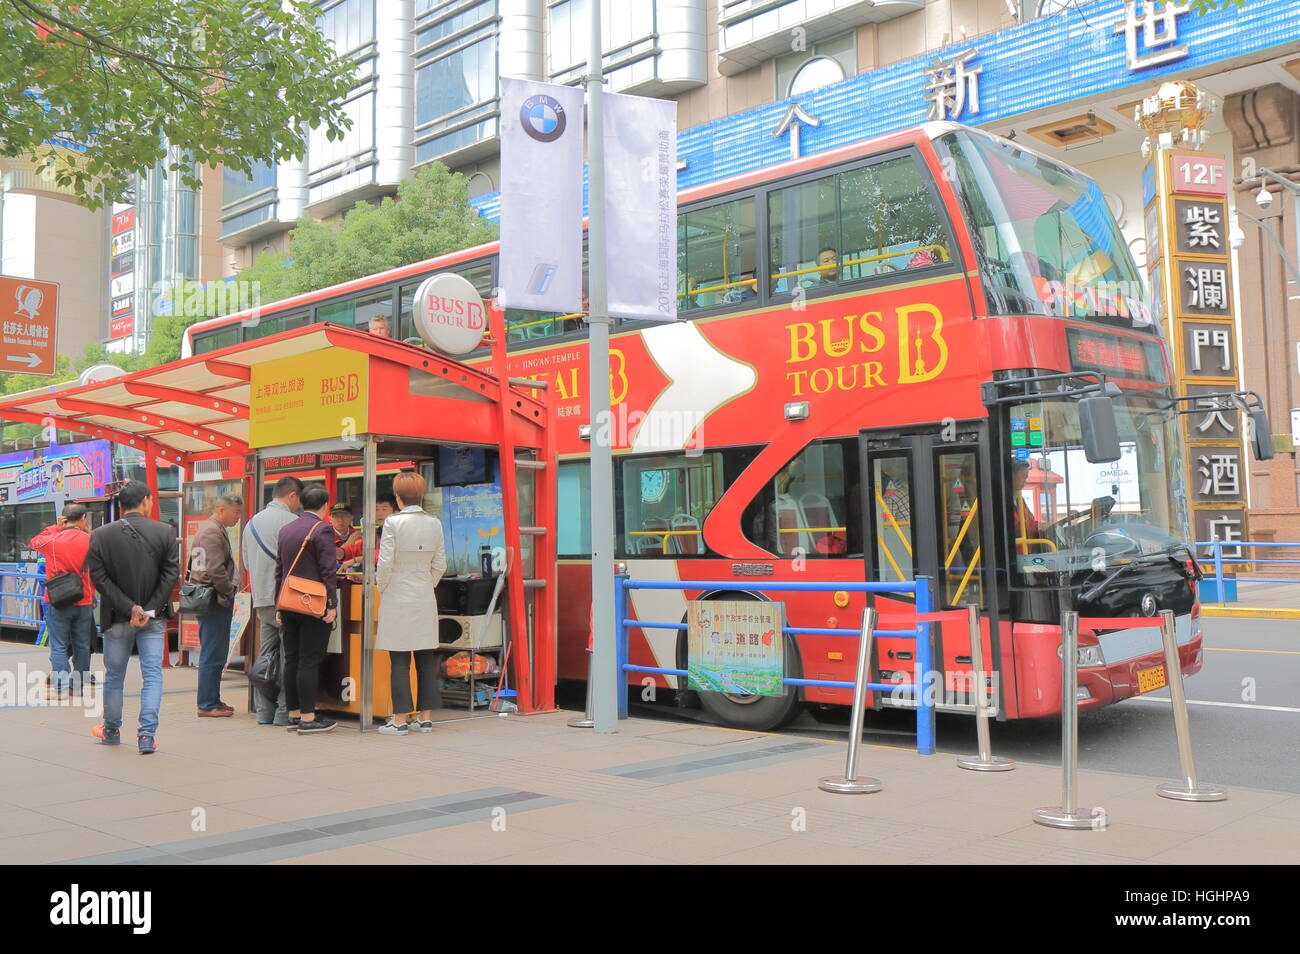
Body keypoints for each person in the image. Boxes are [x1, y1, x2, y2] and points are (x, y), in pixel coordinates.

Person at [86, 480, 179, 754]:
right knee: (152, 674)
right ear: (147, 500)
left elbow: (99, 578)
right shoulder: (165, 531)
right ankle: (147, 736)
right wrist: (148, 609)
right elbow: (170, 575)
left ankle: (112, 730)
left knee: (114, 675)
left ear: (121, 504)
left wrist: (129, 609)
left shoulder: (101, 535)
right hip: (154, 618)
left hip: (117, 618)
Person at [376, 471, 447, 735]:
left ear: (397, 496)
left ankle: (400, 720)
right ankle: (425, 718)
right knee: (425, 656)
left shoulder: (393, 523)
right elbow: (440, 564)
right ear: (420, 495)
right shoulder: (434, 523)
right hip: (424, 595)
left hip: (397, 593)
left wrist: (384, 587)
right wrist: (427, 583)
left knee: (400, 659)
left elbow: (384, 563)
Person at [275, 483, 339, 734]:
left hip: (289, 601)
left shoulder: (286, 529)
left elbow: (280, 570)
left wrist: (279, 603)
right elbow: (327, 571)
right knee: (309, 660)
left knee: (291, 658)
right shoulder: (322, 529)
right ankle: (309, 717)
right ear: (325, 506)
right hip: (312, 604)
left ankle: (293, 713)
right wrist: (331, 605)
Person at [241, 476, 302, 726]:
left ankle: (264, 710)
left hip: (262, 599)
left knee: (266, 655)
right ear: (292, 496)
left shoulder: (251, 523)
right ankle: (284, 711)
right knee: (289, 655)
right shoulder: (293, 522)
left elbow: (245, 563)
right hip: (286, 599)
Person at [30, 504, 95, 694]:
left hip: (56, 600)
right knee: (82, 644)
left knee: (58, 645)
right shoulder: (92, 540)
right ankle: (79, 685)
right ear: (83, 517)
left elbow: (34, 541)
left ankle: (61, 686)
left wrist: (57, 527)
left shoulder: (52, 540)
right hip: (83, 600)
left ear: (64, 520)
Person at [188, 493, 243, 718]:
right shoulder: (212, 531)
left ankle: (213, 699)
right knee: (213, 651)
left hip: (210, 597)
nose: (239, 517)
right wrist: (229, 590)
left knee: (214, 651)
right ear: (222, 510)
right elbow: (215, 569)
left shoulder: (210, 528)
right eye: (236, 512)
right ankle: (208, 703)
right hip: (214, 599)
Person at [341, 492, 397, 567]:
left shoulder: (398, 532)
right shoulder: (377, 533)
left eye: (384, 509)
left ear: (395, 512)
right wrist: (341, 552)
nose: (379, 514)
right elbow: (360, 548)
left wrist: (355, 560)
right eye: (376, 509)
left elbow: (384, 554)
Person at [1011, 460, 1040, 553]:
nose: (1025, 481)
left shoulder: (1019, 499)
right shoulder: (999, 500)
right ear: (1011, 475)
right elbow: (1015, 527)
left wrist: (1041, 527)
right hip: (1013, 555)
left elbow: (1030, 521)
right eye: (1024, 476)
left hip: (1025, 553)